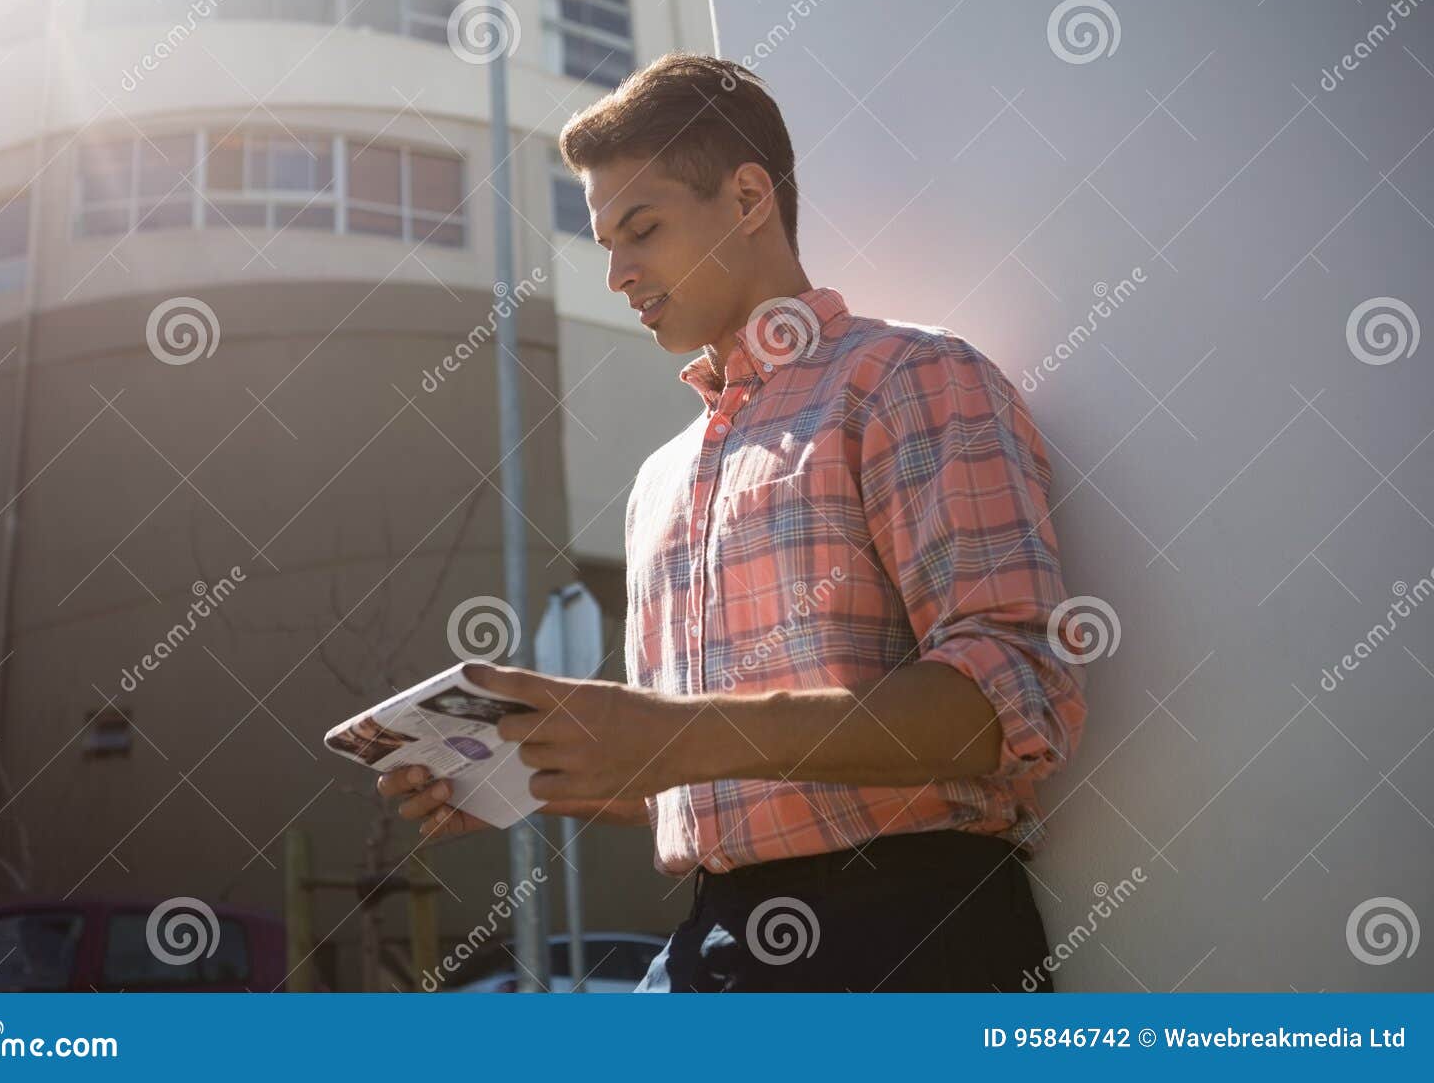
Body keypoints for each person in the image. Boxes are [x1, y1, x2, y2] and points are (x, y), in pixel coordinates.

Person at [377, 52, 1087, 992]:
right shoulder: (659, 481)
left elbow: (1012, 694)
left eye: (643, 229)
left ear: (749, 196)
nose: (619, 272)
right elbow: (712, 769)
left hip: (910, 939)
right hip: (709, 943)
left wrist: (672, 733)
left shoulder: (909, 380)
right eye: (606, 247)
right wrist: (536, 771)